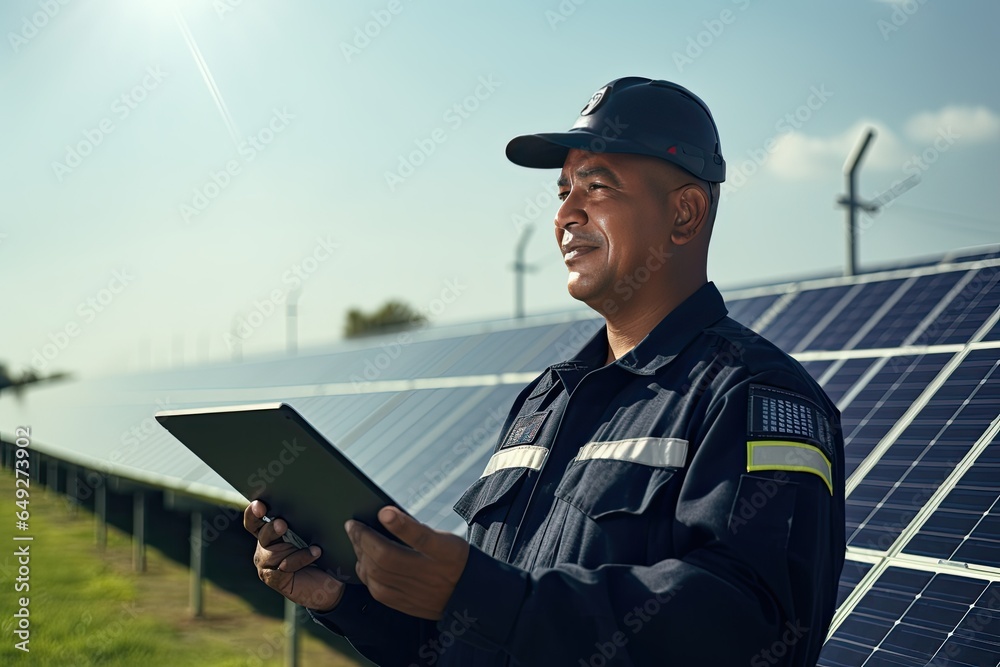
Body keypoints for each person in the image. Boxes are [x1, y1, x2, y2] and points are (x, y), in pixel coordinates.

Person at [244, 76, 846, 666]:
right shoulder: (544, 402)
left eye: (597, 186)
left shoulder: (753, 395)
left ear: (684, 215)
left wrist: (481, 594)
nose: (566, 215)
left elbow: (751, 629)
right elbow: (471, 643)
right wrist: (348, 601)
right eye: (562, 193)